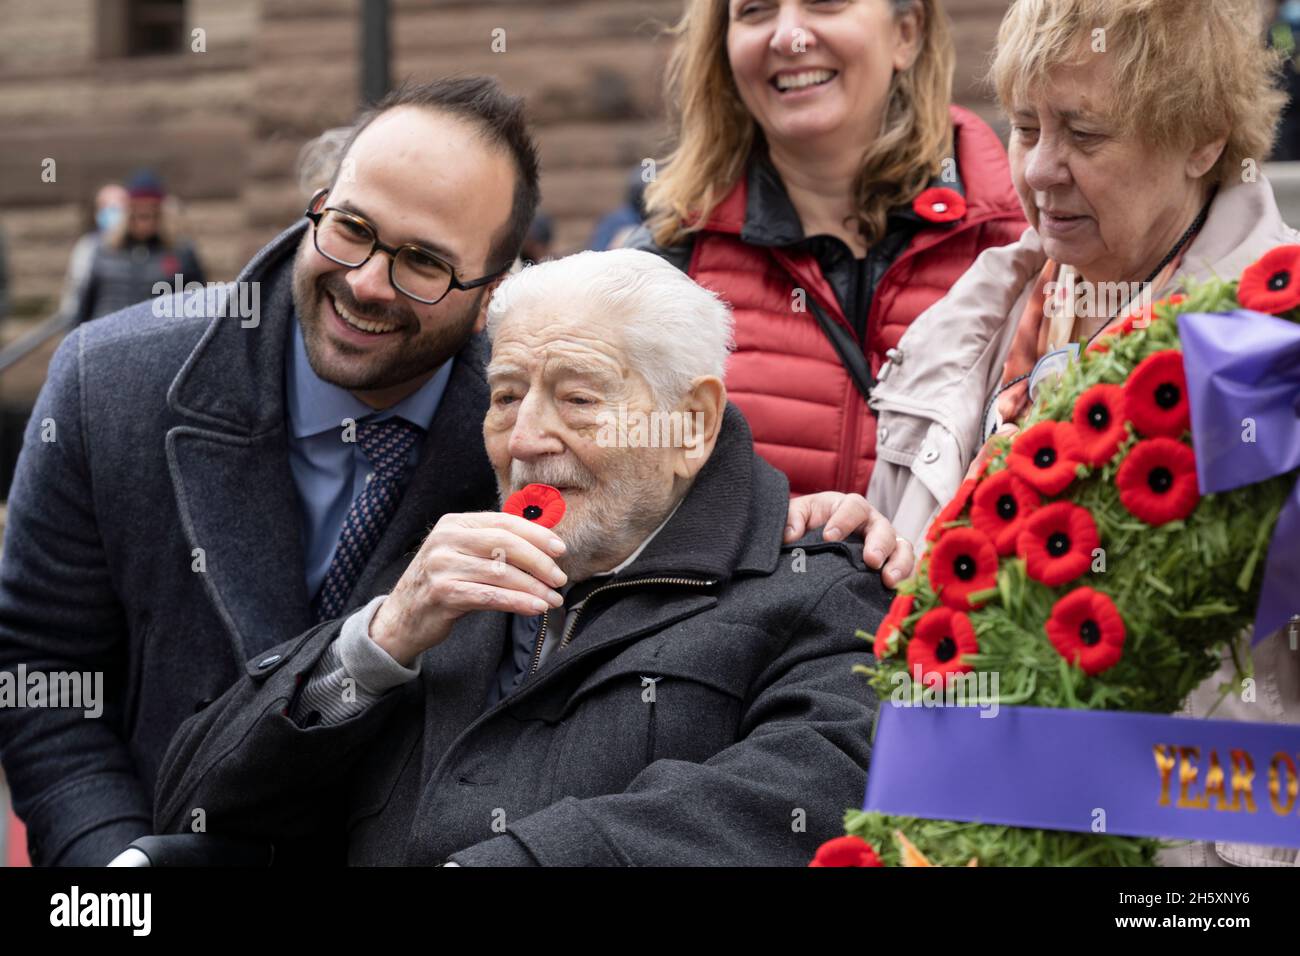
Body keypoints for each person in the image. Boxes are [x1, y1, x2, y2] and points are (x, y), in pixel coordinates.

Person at [0, 76, 912, 867]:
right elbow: (46, 672)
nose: (365, 282)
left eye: (425, 263)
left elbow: (832, 764)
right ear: (317, 201)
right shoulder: (110, 383)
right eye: (351, 229)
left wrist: (807, 525)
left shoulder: (773, 563)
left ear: (484, 294)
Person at [154, 249, 888, 867]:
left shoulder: (813, 590)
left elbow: (811, 803)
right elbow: (195, 804)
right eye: (506, 397)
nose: (526, 437)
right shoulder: (437, 577)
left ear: (691, 423)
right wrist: (376, 645)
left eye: (577, 399)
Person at [865, 0, 1297, 866]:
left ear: (1202, 139)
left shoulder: (1267, 355)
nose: (1040, 171)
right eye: (1025, 127)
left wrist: (1052, 784)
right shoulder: (969, 322)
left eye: (1086, 135)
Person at [630, 0, 1026, 497]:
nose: (788, 36)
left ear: (905, 32)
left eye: (825, 3)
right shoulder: (667, 264)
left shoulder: (1026, 240)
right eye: (755, 10)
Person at [70, 170, 207, 324]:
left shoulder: (181, 253)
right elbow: (84, 307)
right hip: (106, 337)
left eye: (151, 211)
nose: (144, 218)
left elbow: (198, 306)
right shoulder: (104, 252)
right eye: (138, 211)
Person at [57, 183, 127, 321]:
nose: (113, 210)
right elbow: (75, 289)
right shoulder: (87, 247)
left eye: (119, 204)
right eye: (106, 206)